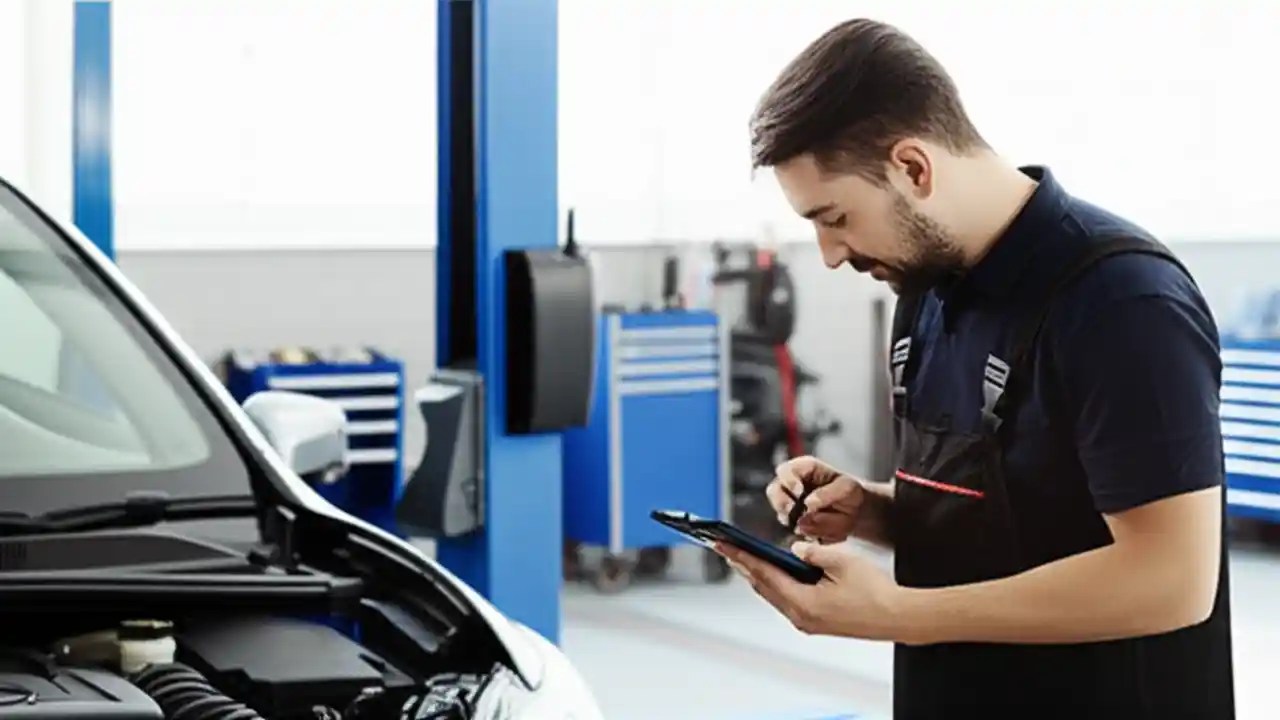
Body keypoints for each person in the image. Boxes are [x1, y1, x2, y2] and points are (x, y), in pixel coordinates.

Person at [713, 17, 1235, 719]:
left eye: (835, 217)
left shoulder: (1121, 303)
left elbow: (1171, 578)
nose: (831, 253)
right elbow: (1023, 519)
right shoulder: (923, 290)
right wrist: (872, 510)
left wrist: (897, 614)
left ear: (914, 168)